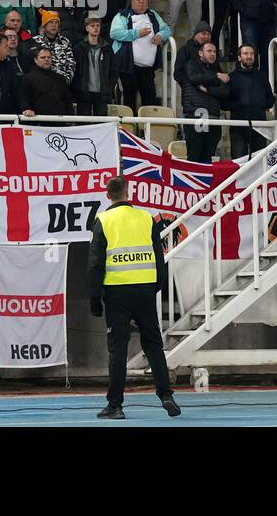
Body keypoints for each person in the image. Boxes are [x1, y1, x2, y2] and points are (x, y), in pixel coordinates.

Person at [86, 175, 181, 420]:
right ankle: (166, 395)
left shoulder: (103, 220)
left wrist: (95, 299)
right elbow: (159, 257)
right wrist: (156, 286)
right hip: (145, 291)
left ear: (108, 196)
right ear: (128, 192)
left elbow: (96, 264)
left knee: (118, 349)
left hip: (117, 293)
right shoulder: (145, 218)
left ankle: (115, 406)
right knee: (153, 344)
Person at [109, 0, 172, 111]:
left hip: (148, 68)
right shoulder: (122, 15)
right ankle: (129, 127)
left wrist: (160, 35)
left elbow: (166, 29)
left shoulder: (153, 15)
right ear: (131, 2)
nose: (141, 1)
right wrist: (136, 33)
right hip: (127, 66)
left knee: (149, 99)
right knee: (129, 98)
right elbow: (115, 33)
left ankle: (146, 128)